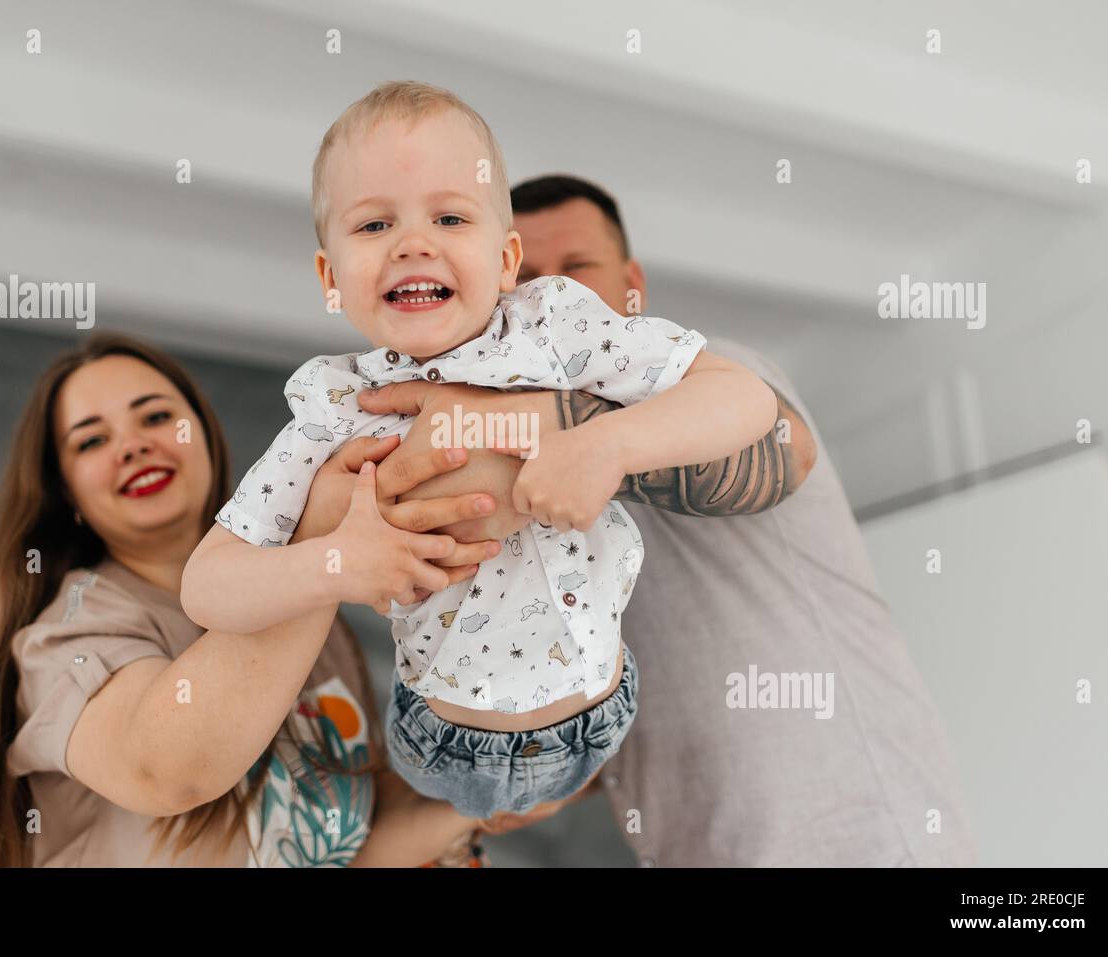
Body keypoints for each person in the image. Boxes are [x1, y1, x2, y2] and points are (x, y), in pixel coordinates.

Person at [181, 81, 778, 821]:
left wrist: (609, 441)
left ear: (506, 260)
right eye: (372, 226)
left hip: (604, 702)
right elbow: (206, 585)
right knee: (451, 829)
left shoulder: (556, 330)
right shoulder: (336, 408)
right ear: (331, 280)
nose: (413, 241)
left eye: (450, 216)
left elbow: (747, 399)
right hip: (443, 737)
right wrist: (341, 562)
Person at [360, 174, 977, 866]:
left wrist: (522, 425)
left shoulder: (707, 381)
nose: (555, 293)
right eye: (527, 276)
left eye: (579, 268)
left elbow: (780, 447)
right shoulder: (528, 502)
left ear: (632, 288)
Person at [0, 332, 544, 867]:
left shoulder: (323, 627)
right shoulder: (67, 637)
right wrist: (325, 547)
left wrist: (489, 793)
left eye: (156, 416)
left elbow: (350, 846)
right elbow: (170, 769)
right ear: (68, 499)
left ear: (204, 435)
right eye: (91, 440)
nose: (134, 443)